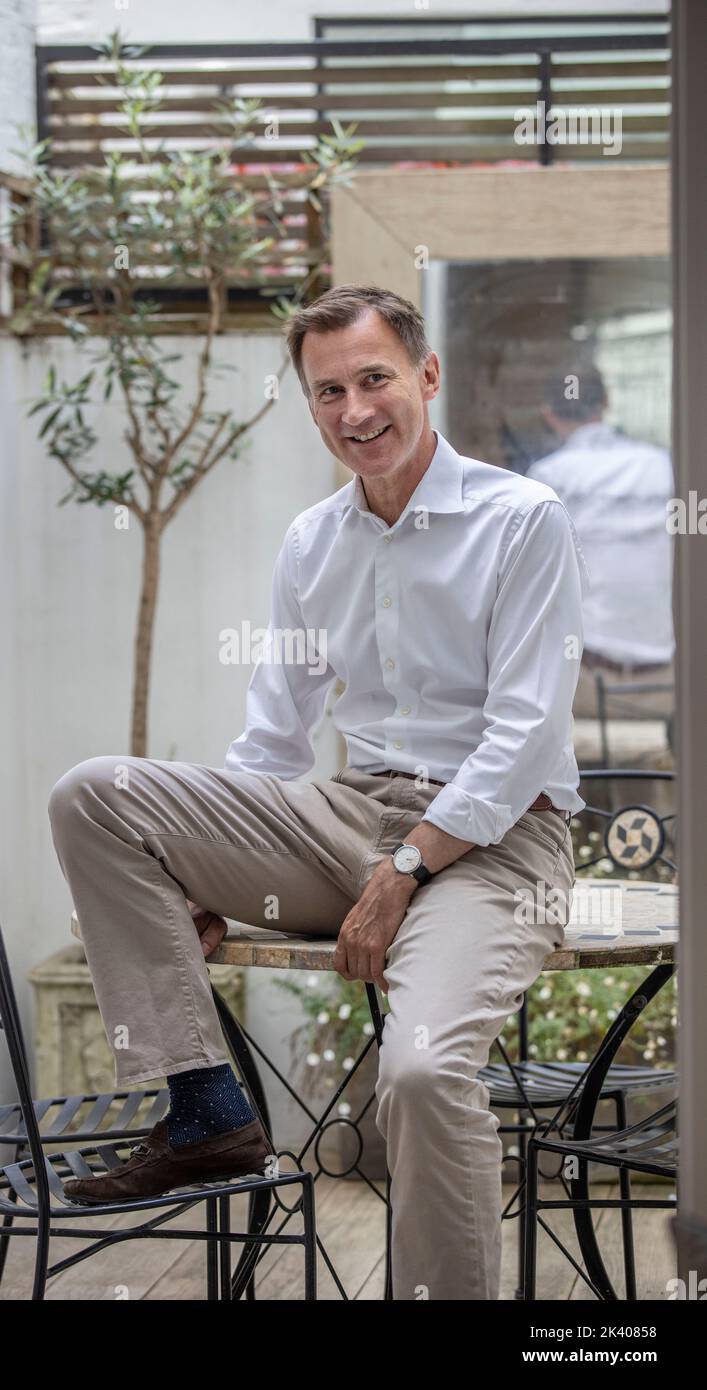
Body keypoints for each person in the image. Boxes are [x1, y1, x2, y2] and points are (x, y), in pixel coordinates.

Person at [48, 283, 588, 1300]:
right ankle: (208, 1107)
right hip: (350, 814)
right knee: (97, 793)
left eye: (374, 379)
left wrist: (405, 867)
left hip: (501, 836)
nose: (354, 410)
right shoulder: (310, 542)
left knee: (424, 1075)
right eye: (327, 390)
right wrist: (207, 863)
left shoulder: (523, 520)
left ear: (427, 377)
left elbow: (524, 738)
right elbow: (272, 734)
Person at [527, 363, 675, 721]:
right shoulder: (662, 465)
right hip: (667, 681)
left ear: (548, 415)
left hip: (586, 686)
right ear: (606, 402)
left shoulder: (547, 479)